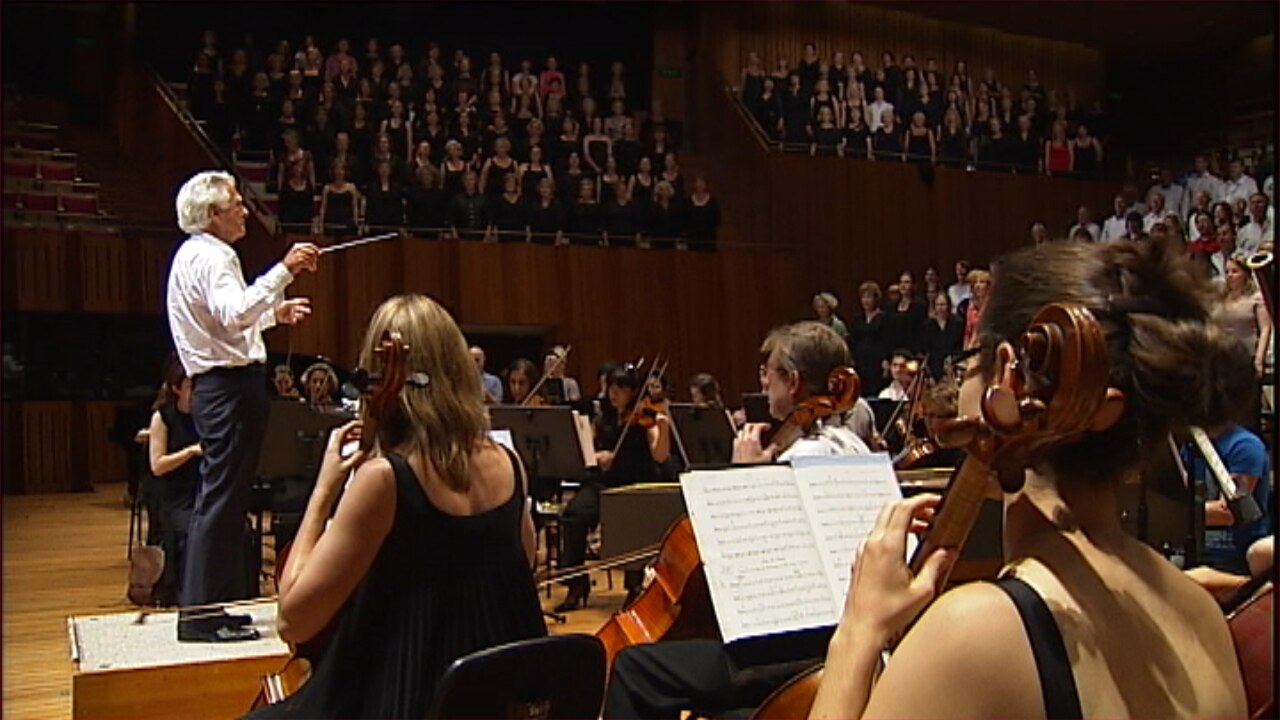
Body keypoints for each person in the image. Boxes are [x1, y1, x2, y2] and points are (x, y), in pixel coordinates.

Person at [809, 238, 1251, 720]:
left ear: (1007, 376)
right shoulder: (1202, 615)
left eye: (970, 359)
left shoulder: (977, 635)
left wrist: (858, 631)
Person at [246, 294, 545, 718]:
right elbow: (520, 569)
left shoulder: (385, 480)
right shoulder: (510, 465)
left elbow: (294, 621)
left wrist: (324, 490)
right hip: (491, 701)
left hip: (408, 700)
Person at [605, 322, 868, 719]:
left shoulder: (795, 462)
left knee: (634, 668)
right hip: (851, 635)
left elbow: (743, 569)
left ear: (793, 382)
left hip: (793, 649)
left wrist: (742, 476)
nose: (763, 384)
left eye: (770, 373)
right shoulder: (856, 448)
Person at [166, 170, 318, 642]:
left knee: (224, 502)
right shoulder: (214, 257)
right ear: (213, 214)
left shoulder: (194, 255)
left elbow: (225, 326)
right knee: (221, 503)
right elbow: (233, 316)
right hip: (229, 392)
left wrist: (274, 313)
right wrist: (286, 269)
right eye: (236, 202)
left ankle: (209, 607)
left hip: (220, 388)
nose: (244, 210)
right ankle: (200, 617)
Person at [557, 365, 670, 612]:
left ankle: (634, 588)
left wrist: (663, 428)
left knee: (633, 522)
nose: (614, 394)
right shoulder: (603, 415)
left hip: (634, 484)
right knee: (573, 515)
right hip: (603, 482)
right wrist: (599, 456)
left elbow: (660, 456)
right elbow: (589, 451)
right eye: (612, 388)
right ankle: (577, 584)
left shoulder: (645, 418)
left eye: (621, 388)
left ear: (633, 392)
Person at [147, 357, 202, 604]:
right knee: (194, 530)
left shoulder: (203, 415)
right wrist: (190, 452)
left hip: (200, 490)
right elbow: (158, 466)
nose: (196, 393)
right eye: (191, 386)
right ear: (176, 388)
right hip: (173, 496)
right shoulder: (163, 417)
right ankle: (186, 593)